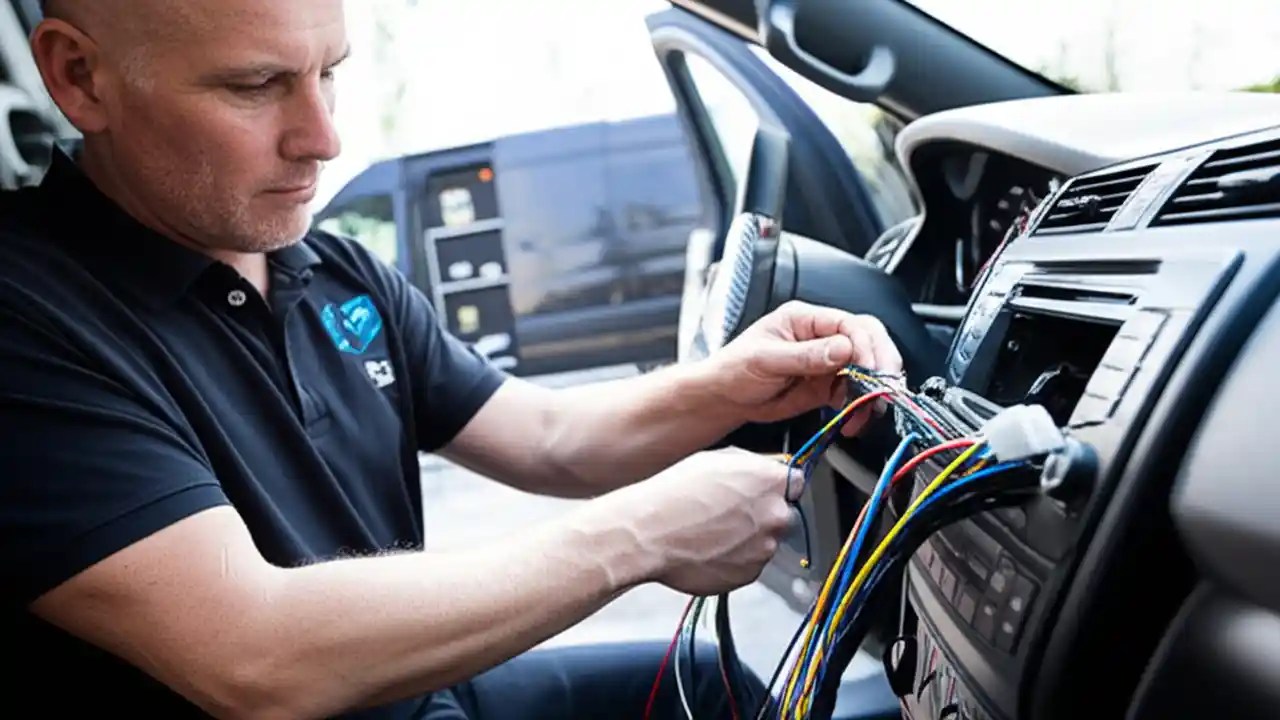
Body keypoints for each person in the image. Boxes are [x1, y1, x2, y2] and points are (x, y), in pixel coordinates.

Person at [0, 1, 903, 718]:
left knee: (715, 690)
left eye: (329, 73)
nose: (323, 136)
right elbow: (254, 660)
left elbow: (549, 438)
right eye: (255, 85)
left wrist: (730, 386)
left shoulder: (330, 271)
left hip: (405, 694)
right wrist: (644, 536)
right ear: (80, 77)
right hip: (316, 692)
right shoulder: (28, 318)